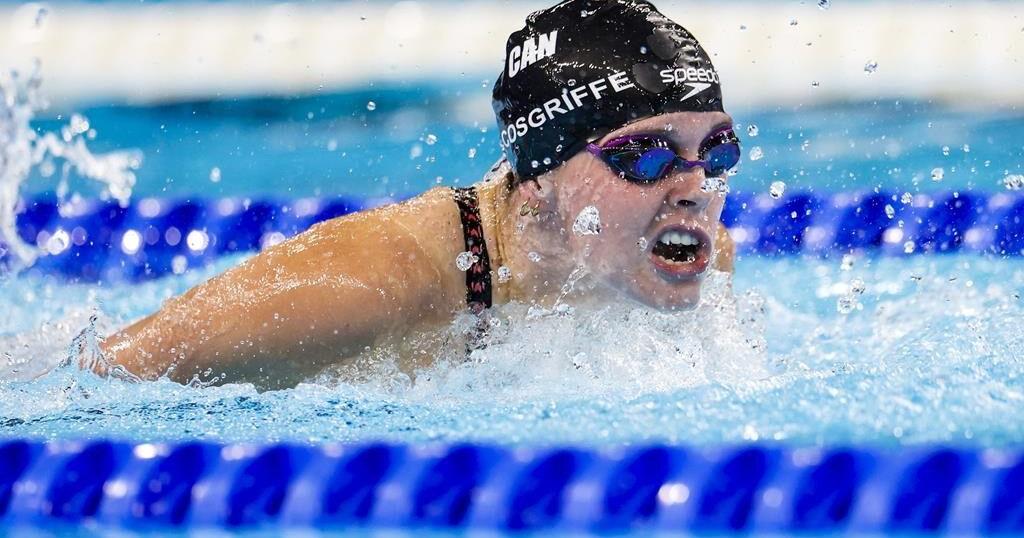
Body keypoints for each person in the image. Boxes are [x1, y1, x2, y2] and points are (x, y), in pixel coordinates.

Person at [99, 0, 740, 389]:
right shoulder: (371, 283)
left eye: (716, 151)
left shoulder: (688, 253)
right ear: (542, 174)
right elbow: (95, 378)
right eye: (646, 156)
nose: (694, 190)